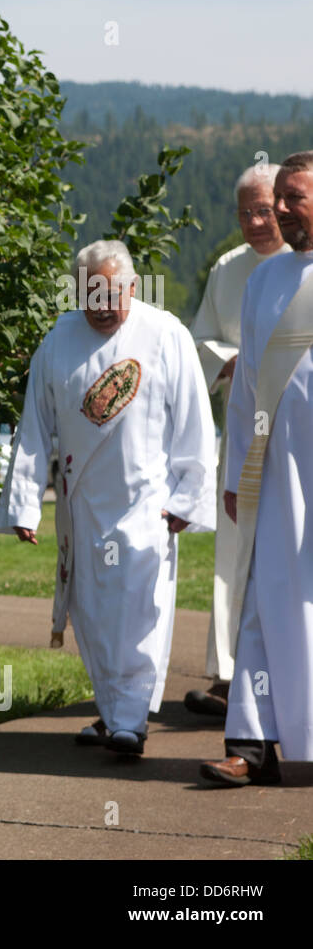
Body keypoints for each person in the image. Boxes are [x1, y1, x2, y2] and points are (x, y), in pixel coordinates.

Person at [0, 240, 216, 756]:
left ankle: (129, 723)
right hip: (82, 508)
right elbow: (34, 428)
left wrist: (188, 497)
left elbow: (194, 424)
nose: (101, 304)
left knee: (139, 610)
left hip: (147, 503)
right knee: (92, 615)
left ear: (133, 288)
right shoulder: (57, 341)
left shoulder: (165, 335)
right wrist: (25, 503)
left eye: (111, 293)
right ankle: (114, 711)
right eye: (90, 293)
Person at [200, 151, 313, 787]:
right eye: (280, 200)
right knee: (262, 604)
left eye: (295, 198)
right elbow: (246, 395)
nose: (282, 211)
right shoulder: (262, 284)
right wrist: (235, 474)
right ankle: (251, 745)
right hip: (273, 476)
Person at [185, 163, 290, 717]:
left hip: (300, 436)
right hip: (244, 433)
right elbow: (200, 339)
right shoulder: (229, 270)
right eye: (245, 212)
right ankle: (230, 674)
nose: (254, 221)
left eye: (264, 210)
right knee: (235, 551)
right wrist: (231, 361)